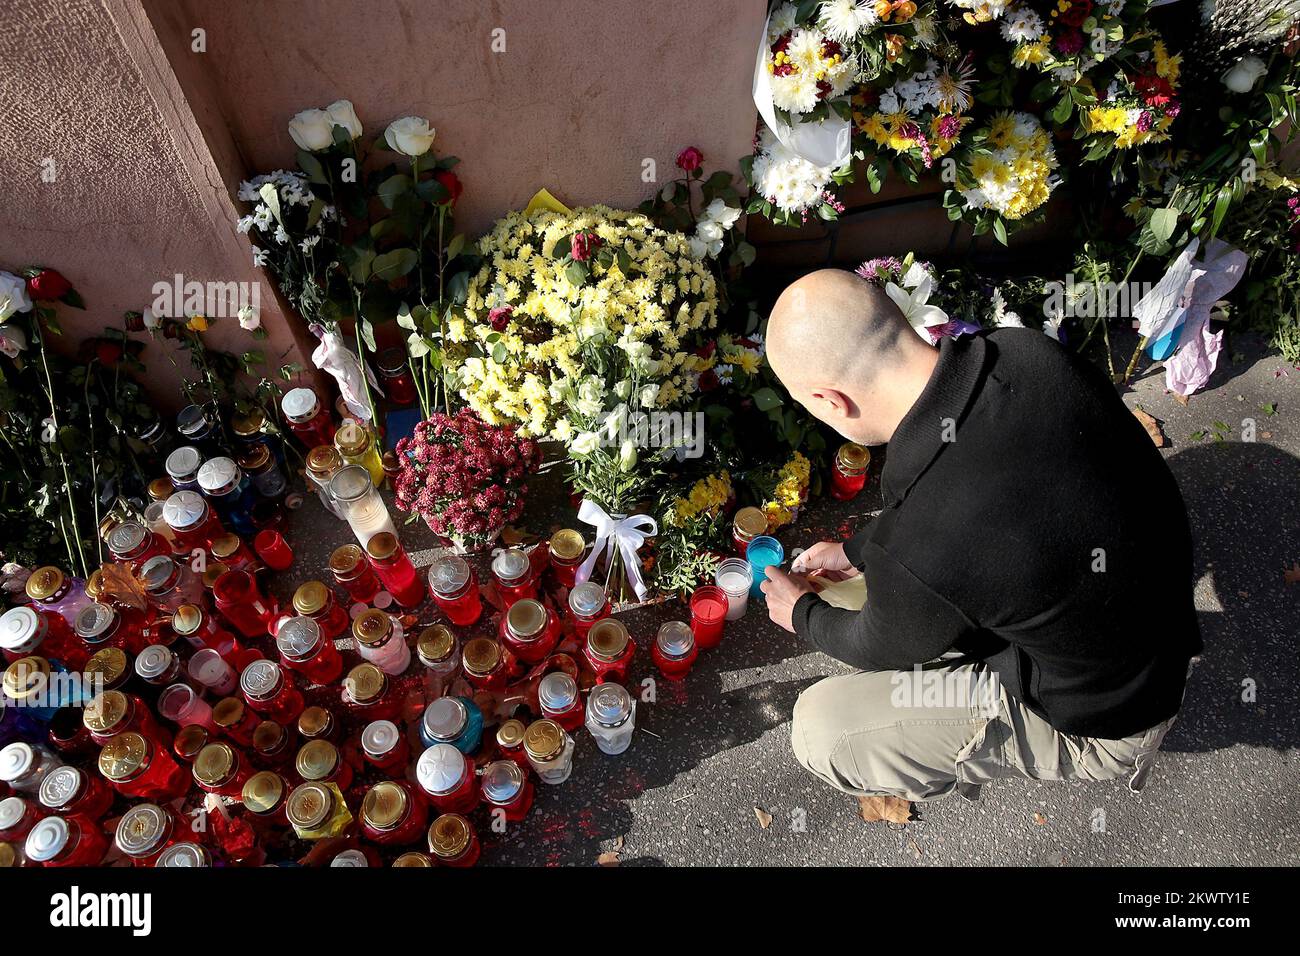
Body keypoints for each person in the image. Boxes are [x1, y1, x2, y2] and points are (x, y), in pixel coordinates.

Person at [760, 269, 1201, 803]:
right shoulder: (1022, 351)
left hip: (1110, 717)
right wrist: (856, 552)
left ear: (830, 400)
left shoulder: (930, 539)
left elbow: (879, 643)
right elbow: (963, 504)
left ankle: (968, 749)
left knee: (822, 727)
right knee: (907, 581)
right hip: (1154, 626)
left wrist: (801, 612)